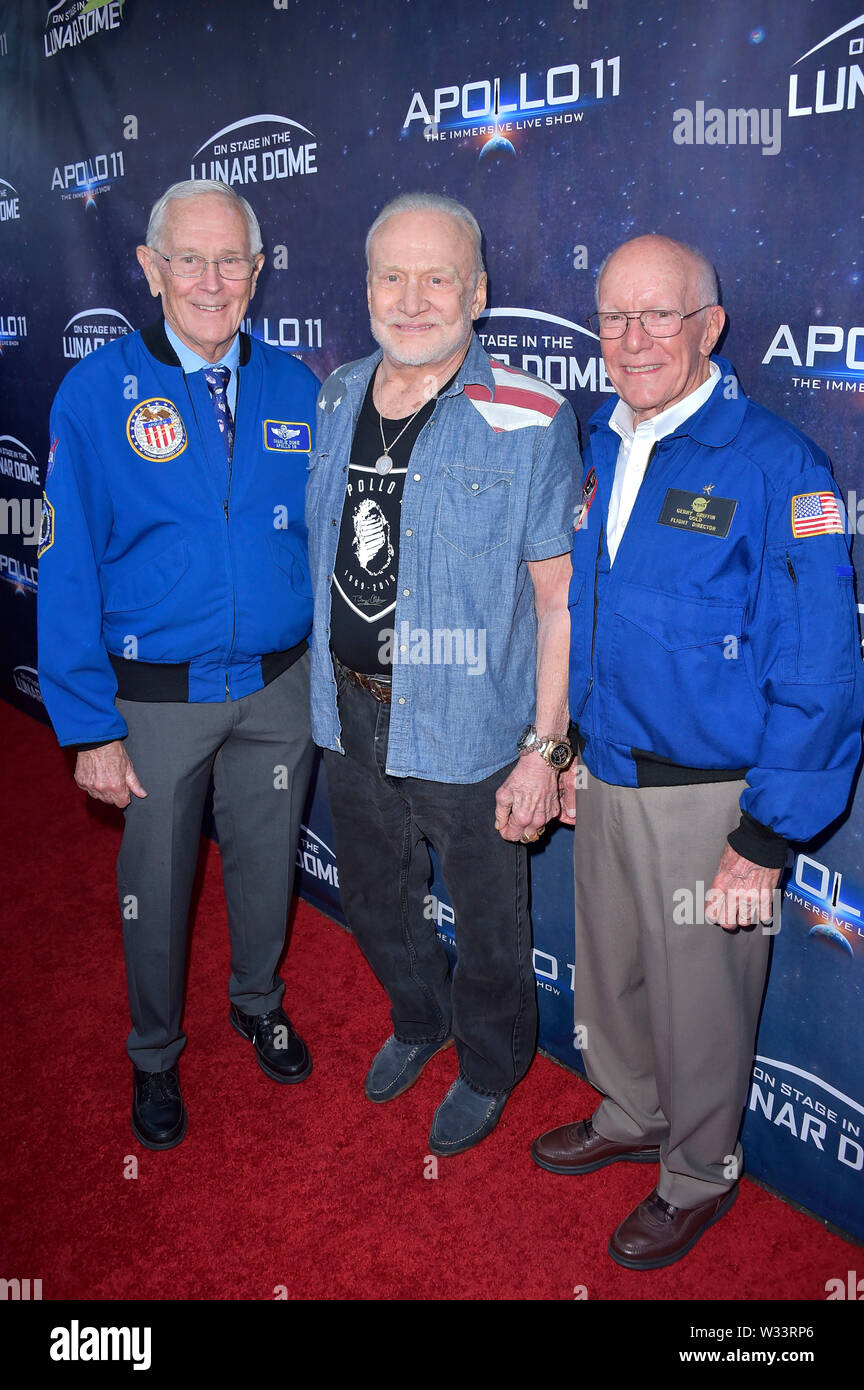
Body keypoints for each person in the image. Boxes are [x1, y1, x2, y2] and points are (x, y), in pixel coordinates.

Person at [532, 234, 863, 1267]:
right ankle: (631, 1111)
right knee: (615, 975)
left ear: (710, 326)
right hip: (611, 771)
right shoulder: (596, 440)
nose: (632, 341)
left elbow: (820, 665)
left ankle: (699, 1171)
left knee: (706, 1005)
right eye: (613, 318)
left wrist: (765, 837)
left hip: (713, 801)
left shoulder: (777, 465)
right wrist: (571, 745)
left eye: (658, 316)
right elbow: (586, 609)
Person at [37, 180, 320, 1150]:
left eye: (230, 259)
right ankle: (154, 1053)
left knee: (264, 864)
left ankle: (257, 1001)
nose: (211, 280)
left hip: (279, 688)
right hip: (153, 700)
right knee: (153, 887)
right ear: (151, 269)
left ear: (258, 271)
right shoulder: (95, 392)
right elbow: (65, 562)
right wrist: (87, 724)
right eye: (189, 260)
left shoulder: (295, 386)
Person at [306, 193, 581, 1155]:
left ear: (478, 292)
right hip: (346, 716)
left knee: (492, 927)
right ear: (367, 284)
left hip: (469, 728)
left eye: (437, 278)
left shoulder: (533, 415)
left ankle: (492, 1063)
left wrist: (544, 751)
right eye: (392, 275)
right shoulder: (336, 393)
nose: (412, 299)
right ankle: (420, 1021)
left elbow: (559, 603)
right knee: (377, 900)